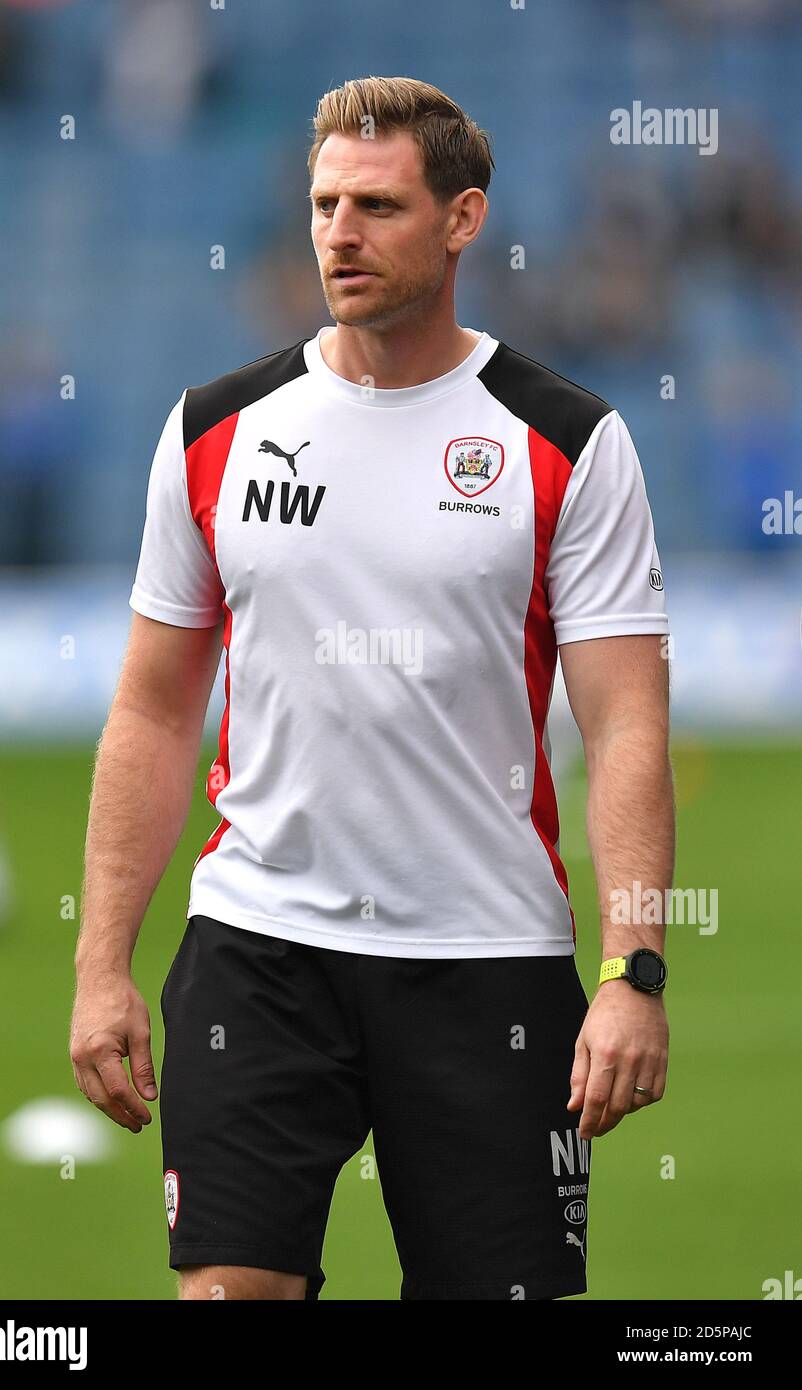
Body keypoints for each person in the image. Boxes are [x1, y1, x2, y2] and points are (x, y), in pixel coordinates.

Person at [70, 76, 673, 1302]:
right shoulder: (214, 429)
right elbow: (150, 708)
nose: (338, 234)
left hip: (487, 959)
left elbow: (623, 727)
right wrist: (101, 965)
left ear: (461, 220)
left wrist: (632, 971)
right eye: (323, 205)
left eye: (377, 206)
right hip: (259, 949)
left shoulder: (567, 439)